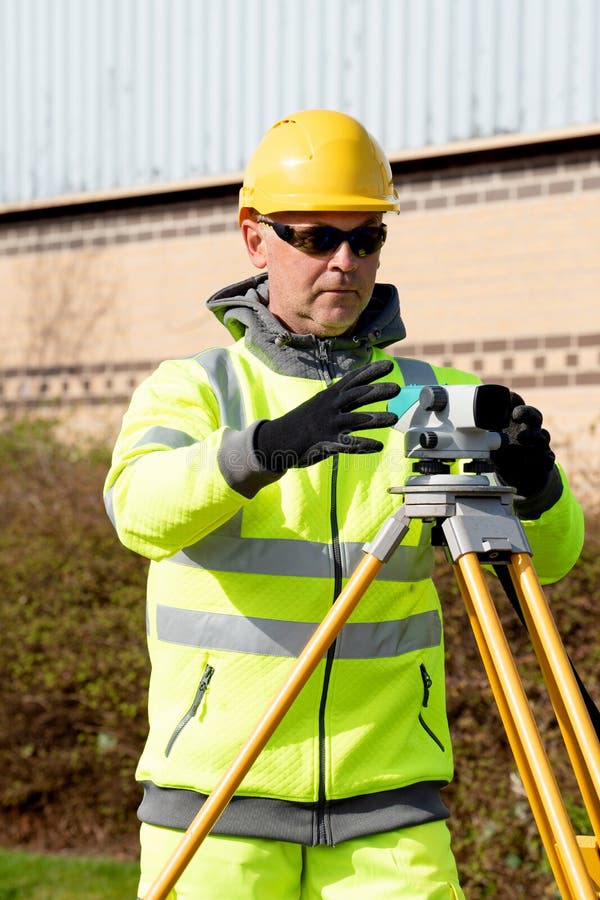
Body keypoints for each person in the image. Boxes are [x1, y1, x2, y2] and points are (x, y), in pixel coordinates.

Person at [104, 109, 584, 899]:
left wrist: (538, 488)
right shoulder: (195, 389)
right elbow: (139, 513)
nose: (344, 261)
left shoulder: (437, 400)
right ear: (256, 237)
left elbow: (555, 560)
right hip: (217, 805)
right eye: (316, 236)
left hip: (390, 811)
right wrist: (263, 448)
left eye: (366, 239)